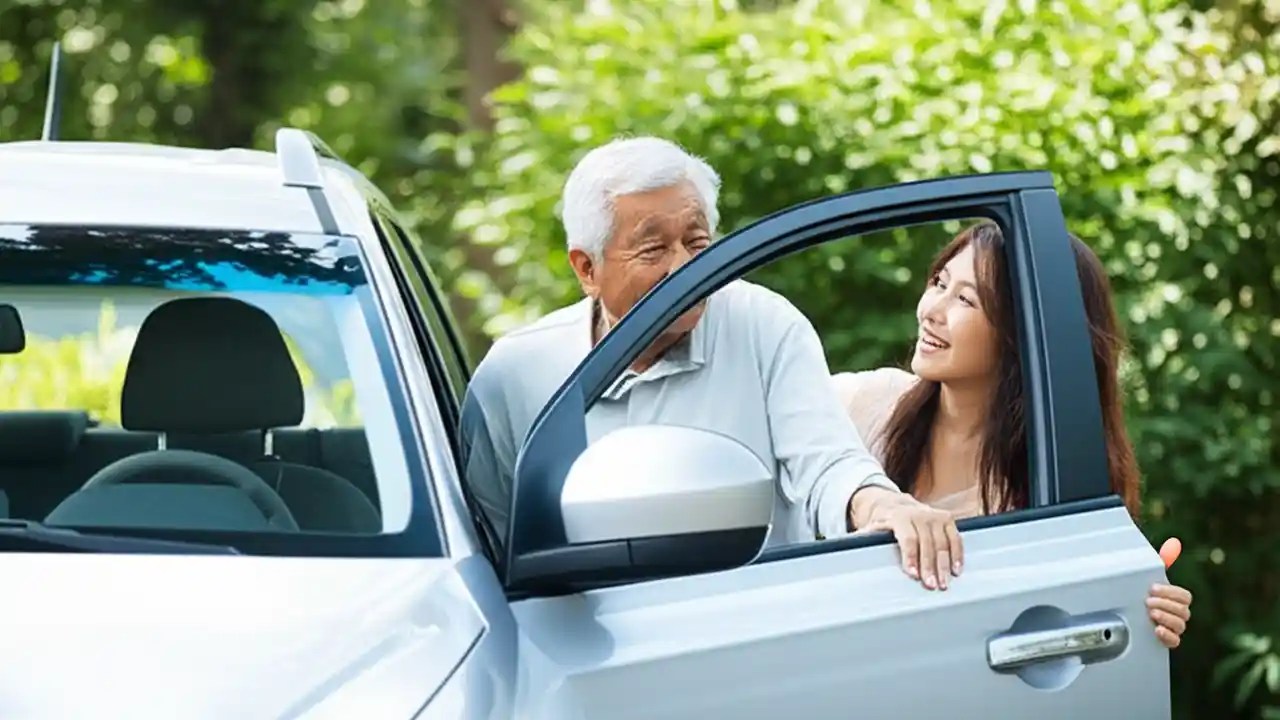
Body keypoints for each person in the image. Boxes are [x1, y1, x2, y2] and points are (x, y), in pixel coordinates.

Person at [461, 136, 962, 590]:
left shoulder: (763, 325)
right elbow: (494, 556)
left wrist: (880, 503)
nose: (685, 268)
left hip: (742, 627)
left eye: (697, 243)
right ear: (587, 268)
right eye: (654, 248)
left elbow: (826, 462)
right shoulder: (515, 376)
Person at [832, 220, 1194, 646]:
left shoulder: (1046, 494)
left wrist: (1143, 609)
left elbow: (1069, 635)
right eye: (938, 282)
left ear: (1022, 334)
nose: (931, 309)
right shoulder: (867, 404)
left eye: (966, 299)